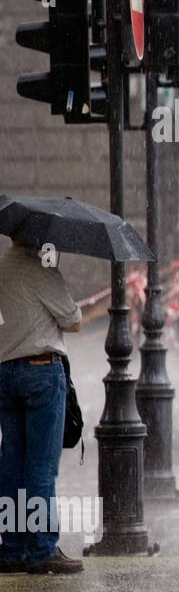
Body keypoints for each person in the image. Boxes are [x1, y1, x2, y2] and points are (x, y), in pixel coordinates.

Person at [0, 238, 85, 574]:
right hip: (40, 373)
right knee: (40, 467)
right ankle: (41, 550)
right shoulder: (41, 270)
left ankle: (10, 548)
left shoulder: (2, 268)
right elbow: (74, 320)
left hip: (4, 373)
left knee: (11, 464)